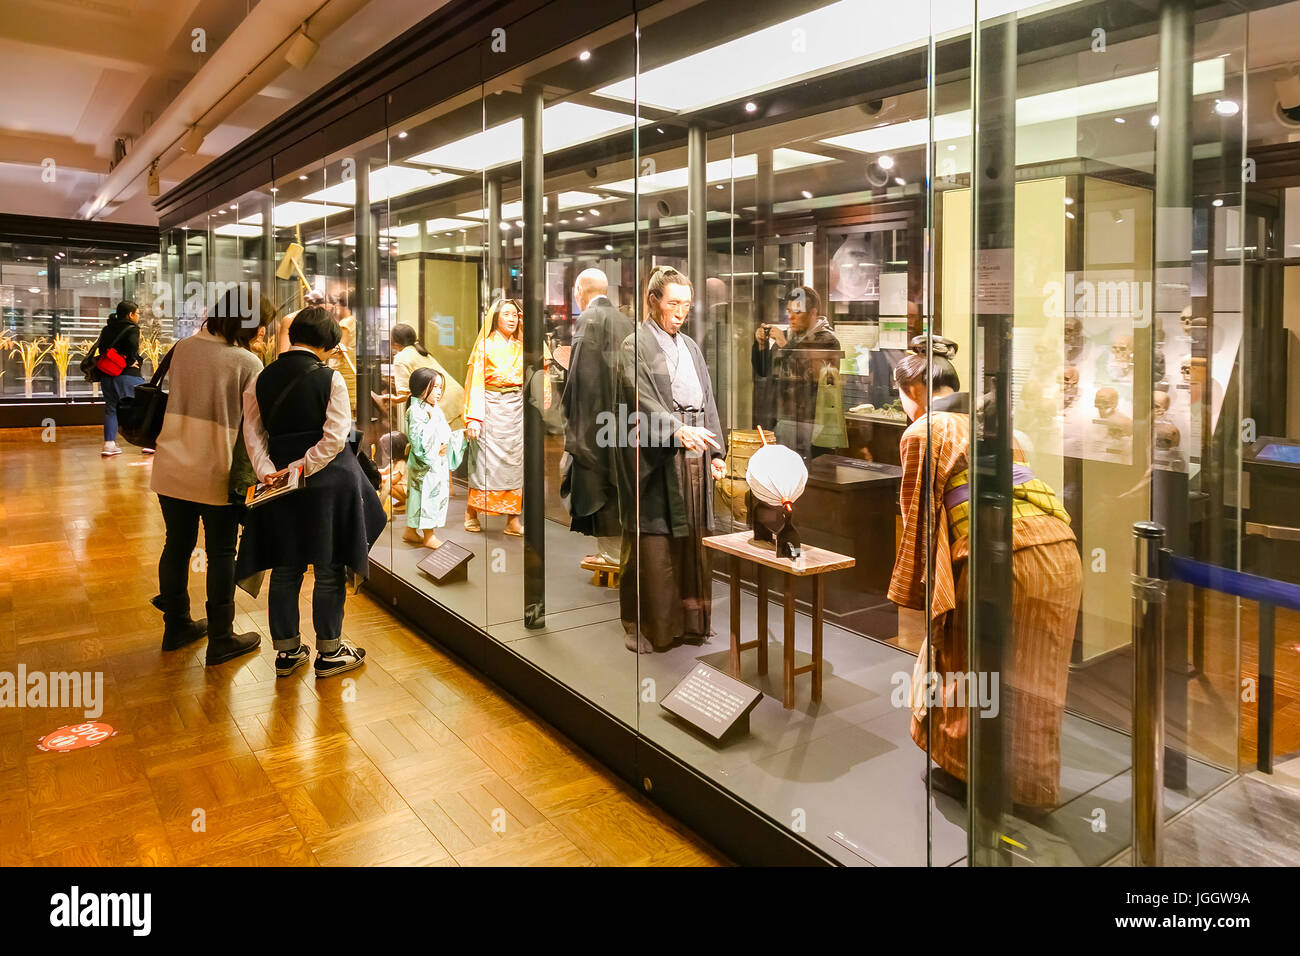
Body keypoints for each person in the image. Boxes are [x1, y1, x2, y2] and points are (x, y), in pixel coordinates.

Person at [889, 335, 1082, 812]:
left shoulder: (923, 432)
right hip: (1059, 549)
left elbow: (918, 516)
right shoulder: (999, 429)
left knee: (964, 665)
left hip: (998, 560)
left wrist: (919, 594)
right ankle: (1031, 786)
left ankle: (972, 777)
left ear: (911, 391)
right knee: (1036, 677)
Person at [237, 305, 386, 679]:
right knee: (329, 568)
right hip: (326, 484)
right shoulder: (330, 378)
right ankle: (330, 652)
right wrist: (302, 467)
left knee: (285, 567)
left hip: (278, 486)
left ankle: (287, 653)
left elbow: (253, 434)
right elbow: (335, 438)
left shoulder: (261, 378)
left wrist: (271, 472)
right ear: (329, 342)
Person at [149, 288, 272, 661]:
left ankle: (176, 626)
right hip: (216, 472)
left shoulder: (182, 348)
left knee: (176, 545)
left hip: (170, 467)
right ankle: (221, 638)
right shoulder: (247, 362)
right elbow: (254, 427)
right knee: (221, 552)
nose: (263, 333)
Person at [617, 266, 726, 653]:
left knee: (692, 542)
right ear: (653, 301)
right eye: (673, 303)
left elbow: (708, 400)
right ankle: (647, 626)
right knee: (655, 541)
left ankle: (691, 624)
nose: (681, 312)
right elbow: (638, 398)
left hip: (694, 453)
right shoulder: (635, 345)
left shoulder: (691, 347)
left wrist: (715, 452)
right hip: (656, 458)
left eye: (687, 305)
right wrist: (675, 429)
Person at [561, 268, 633, 567]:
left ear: (579, 290)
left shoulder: (589, 319)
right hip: (623, 418)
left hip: (596, 418)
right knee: (617, 485)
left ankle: (611, 554)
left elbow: (584, 379)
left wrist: (574, 425)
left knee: (598, 483)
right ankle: (619, 552)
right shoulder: (623, 319)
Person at [752, 285, 842, 459]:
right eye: (788, 311)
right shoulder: (789, 337)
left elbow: (810, 377)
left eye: (797, 312)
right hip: (781, 419)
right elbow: (765, 372)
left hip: (812, 423)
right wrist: (761, 346)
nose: (791, 317)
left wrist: (784, 345)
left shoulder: (827, 340)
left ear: (812, 313)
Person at [463, 298, 528, 535]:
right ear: (495, 318)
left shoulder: (522, 346)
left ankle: (512, 518)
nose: (511, 319)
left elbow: (542, 363)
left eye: (515, 315)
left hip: (515, 408)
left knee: (514, 463)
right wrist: (473, 418)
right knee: (483, 462)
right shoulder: (485, 346)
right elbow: (475, 383)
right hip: (489, 407)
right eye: (507, 314)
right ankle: (472, 511)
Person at [402, 367, 466, 549]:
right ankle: (428, 535)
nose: (438, 392)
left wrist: (461, 435)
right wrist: (436, 448)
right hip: (425, 463)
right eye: (434, 387)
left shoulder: (431, 408)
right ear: (421, 388)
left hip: (435, 461)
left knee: (420, 497)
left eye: (439, 387)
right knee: (426, 497)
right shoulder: (416, 411)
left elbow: (444, 432)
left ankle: (410, 530)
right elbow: (418, 442)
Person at [92, 300, 145, 457]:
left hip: (107, 373)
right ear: (130, 314)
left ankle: (109, 444)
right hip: (127, 374)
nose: (139, 317)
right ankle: (150, 443)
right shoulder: (132, 328)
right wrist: (130, 361)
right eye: (138, 313)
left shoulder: (108, 328)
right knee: (144, 405)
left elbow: (102, 349)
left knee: (111, 408)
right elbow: (132, 348)